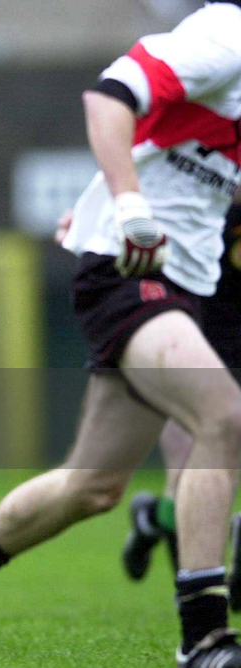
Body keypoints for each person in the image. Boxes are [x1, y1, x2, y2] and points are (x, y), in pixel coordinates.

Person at [0, 4, 241, 668]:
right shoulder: (227, 34)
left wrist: (93, 200)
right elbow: (110, 97)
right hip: (131, 266)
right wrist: (124, 203)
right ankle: (204, 635)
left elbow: (165, 147)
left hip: (184, 284)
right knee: (222, 413)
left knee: (93, 485)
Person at [116, 202, 241, 605]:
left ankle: (152, 521)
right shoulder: (196, 198)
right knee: (187, 469)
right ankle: (193, 591)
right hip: (194, 345)